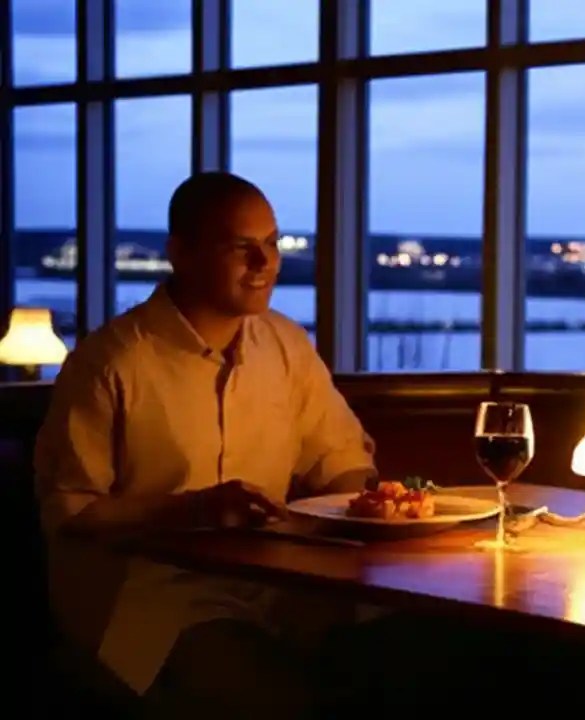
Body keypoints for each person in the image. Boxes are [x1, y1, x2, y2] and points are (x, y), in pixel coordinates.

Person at [35, 171, 379, 719]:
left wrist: (377, 507)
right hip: (147, 590)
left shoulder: (286, 345)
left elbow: (341, 461)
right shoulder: (112, 361)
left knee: (406, 654)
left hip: (274, 573)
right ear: (181, 253)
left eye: (271, 243)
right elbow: (71, 511)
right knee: (280, 700)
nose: (264, 263)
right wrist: (193, 510)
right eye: (241, 247)